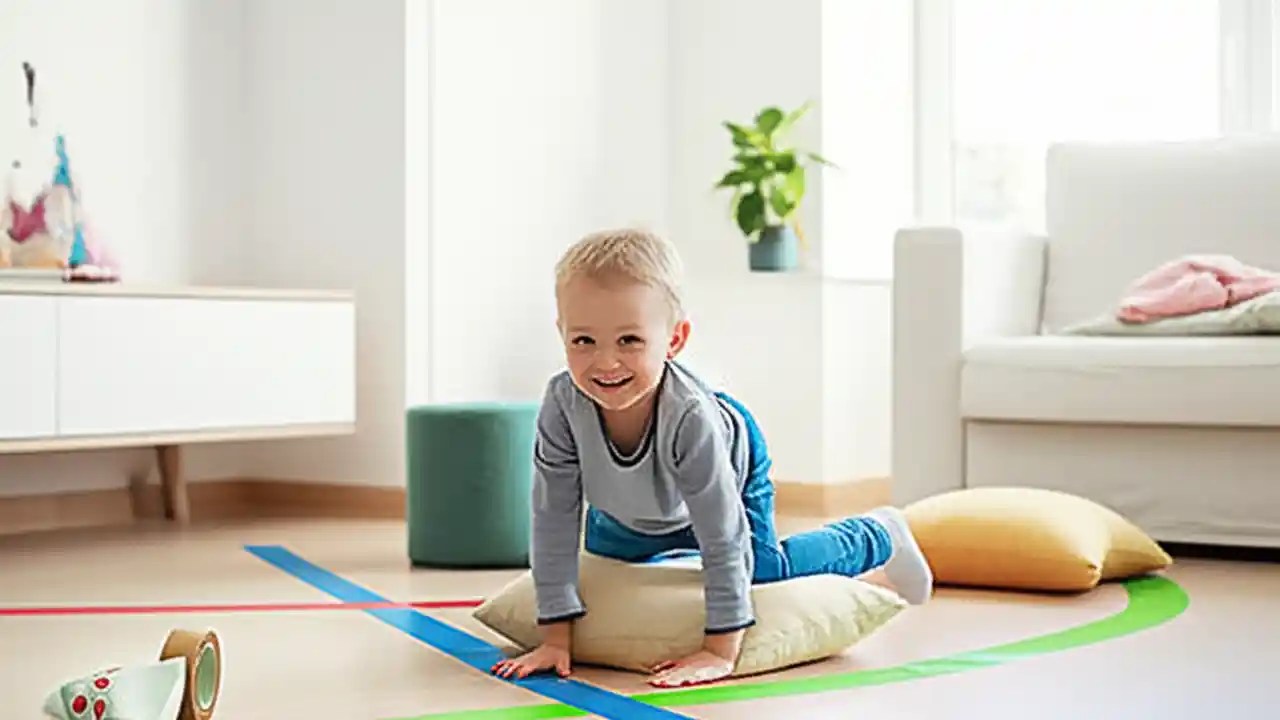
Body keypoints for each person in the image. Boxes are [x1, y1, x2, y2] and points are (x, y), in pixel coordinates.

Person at [490, 227, 933, 688]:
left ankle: (880, 533)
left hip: (729, 476)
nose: (605, 362)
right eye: (584, 341)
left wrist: (719, 650)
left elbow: (722, 533)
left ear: (675, 339)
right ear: (562, 333)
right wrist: (555, 639)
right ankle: (665, 544)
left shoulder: (690, 418)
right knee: (605, 563)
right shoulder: (563, 405)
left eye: (629, 341)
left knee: (762, 568)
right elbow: (552, 518)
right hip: (633, 505)